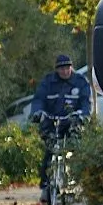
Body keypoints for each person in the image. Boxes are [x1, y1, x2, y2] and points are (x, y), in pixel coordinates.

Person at [32, 53, 92, 189]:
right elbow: (39, 99)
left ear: (71, 67)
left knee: (75, 148)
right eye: (61, 69)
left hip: (72, 121)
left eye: (67, 68)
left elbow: (86, 102)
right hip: (51, 121)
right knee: (50, 150)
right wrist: (37, 113)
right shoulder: (48, 82)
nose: (65, 71)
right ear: (56, 70)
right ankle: (46, 186)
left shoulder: (80, 82)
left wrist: (82, 115)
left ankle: (76, 181)